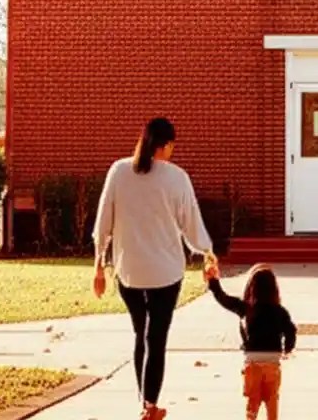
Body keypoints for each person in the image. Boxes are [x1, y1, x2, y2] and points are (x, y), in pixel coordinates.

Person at [93, 117, 215, 420]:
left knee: (141, 333)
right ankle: (150, 405)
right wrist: (207, 252)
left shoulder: (119, 171)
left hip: (129, 271)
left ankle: (145, 403)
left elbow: (103, 222)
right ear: (168, 144)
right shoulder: (177, 177)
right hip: (166, 272)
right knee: (155, 338)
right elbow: (191, 223)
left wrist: (98, 266)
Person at [204, 261, 296, 420]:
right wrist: (287, 348)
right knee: (272, 399)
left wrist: (213, 281)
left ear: (251, 288)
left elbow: (222, 298)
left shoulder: (245, 308)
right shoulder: (280, 311)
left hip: (252, 360)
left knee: (252, 402)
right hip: (273, 360)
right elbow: (291, 330)